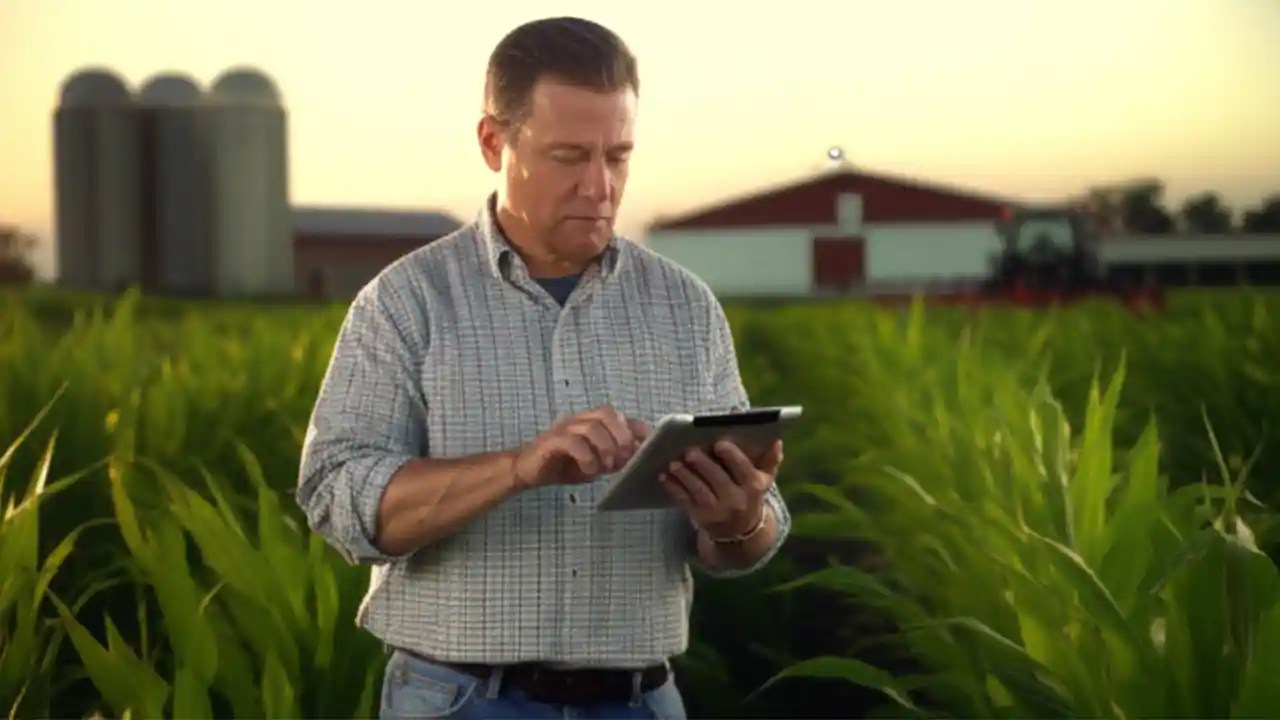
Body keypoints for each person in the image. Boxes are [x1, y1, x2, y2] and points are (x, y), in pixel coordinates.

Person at [296, 15, 792, 719]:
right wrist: (519, 468)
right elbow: (336, 498)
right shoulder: (407, 302)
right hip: (458, 700)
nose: (599, 185)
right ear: (493, 142)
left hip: (643, 702)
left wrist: (737, 520)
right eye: (569, 156)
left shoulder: (688, 309)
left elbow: (753, 535)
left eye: (617, 156)